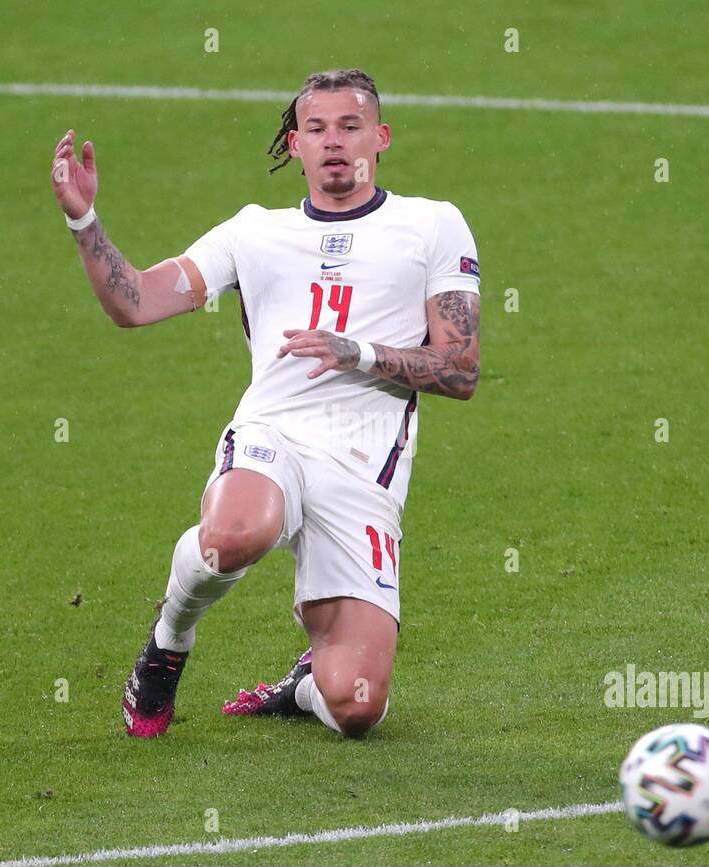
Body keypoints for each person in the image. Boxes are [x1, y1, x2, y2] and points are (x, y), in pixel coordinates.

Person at [49, 69, 481, 739]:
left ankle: (308, 685)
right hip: (273, 433)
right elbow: (134, 304)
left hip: (365, 466)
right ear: (295, 144)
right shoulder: (253, 233)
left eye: (350, 126)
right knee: (235, 536)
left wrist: (358, 352)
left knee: (358, 707)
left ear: (382, 137)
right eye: (316, 129)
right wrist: (84, 218)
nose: (333, 141)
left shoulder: (431, 225)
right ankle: (169, 643)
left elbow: (460, 369)